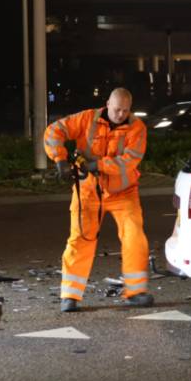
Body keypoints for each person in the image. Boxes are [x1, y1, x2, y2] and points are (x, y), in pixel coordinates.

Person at [43, 88, 152, 312]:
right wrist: (60, 160)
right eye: (116, 109)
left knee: (135, 239)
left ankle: (136, 292)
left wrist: (98, 165)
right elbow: (55, 131)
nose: (120, 114)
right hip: (88, 192)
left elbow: (129, 161)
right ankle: (70, 296)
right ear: (107, 104)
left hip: (123, 192)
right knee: (80, 240)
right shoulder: (86, 119)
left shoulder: (137, 128)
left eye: (125, 110)